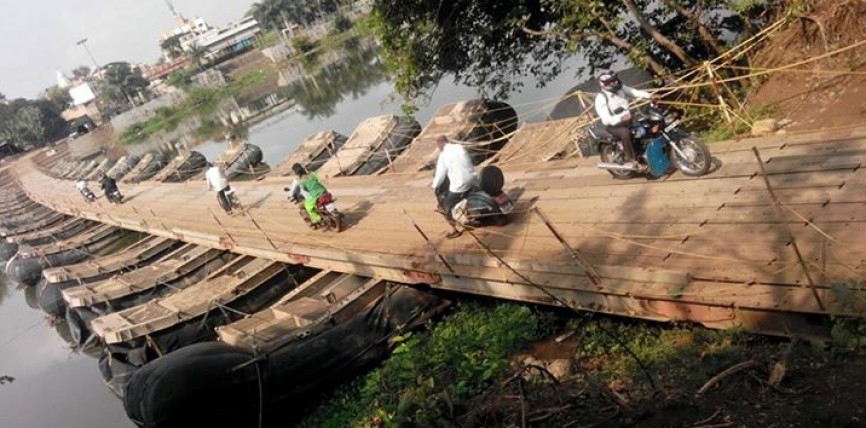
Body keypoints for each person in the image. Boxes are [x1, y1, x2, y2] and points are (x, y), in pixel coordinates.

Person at [594, 71, 655, 169]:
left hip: (629, 120)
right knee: (625, 133)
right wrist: (621, 118)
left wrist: (650, 96)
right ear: (605, 85)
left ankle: (645, 152)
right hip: (614, 126)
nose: (615, 82)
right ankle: (632, 160)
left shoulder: (620, 89)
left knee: (646, 125)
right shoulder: (601, 98)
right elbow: (606, 119)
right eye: (611, 81)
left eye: (615, 80)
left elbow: (634, 92)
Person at [431, 135, 476, 239]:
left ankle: (453, 230)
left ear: (440, 145)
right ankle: (465, 216)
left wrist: (434, 186)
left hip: (460, 184)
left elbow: (440, 175)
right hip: (473, 179)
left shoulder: (443, 155)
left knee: (444, 207)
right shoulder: (459, 147)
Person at [288, 163, 328, 228]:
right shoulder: (311, 174)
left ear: (295, 172)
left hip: (312, 197)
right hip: (323, 191)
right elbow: (318, 181)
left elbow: (293, 191)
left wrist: (291, 196)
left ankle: (314, 221)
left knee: (301, 206)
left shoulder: (298, 180)